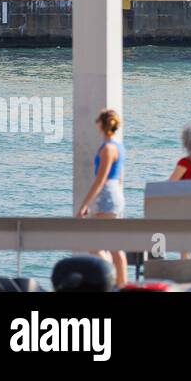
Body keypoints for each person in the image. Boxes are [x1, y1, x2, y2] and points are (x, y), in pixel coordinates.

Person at [76, 108, 128, 286]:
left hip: (107, 196)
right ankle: (120, 285)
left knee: (96, 245)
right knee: (114, 245)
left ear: (101, 124)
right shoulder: (119, 147)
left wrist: (85, 205)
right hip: (115, 195)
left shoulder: (108, 148)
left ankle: (112, 280)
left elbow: (100, 180)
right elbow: (121, 177)